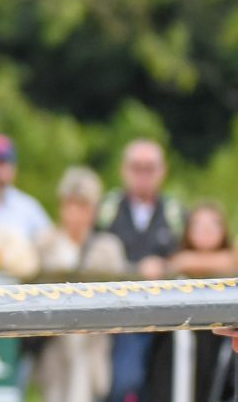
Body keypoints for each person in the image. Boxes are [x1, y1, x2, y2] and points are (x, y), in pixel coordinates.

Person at [31, 167, 126, 402]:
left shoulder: (108, 247)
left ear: (93, 210)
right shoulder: (45, 242)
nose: (75, 213)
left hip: (92, 340)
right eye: (70, 204)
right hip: (55, 342)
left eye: (82, 206)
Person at [102, 138, 183, 402]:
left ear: (163, 171)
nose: (143, 175)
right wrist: (135, 269)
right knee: (123, 385)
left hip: (168, 317)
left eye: (150, 168)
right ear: (124, 170)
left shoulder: (175, 212)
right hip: (115, 315)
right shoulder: (107, 210)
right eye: (137, 167)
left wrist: (168, 266)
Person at [145, 202, 238, 402]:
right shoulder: (173, 271)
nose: (205, 230)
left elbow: (228, 260)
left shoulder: (230, 267)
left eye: (212, 224)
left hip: (221, 352)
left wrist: (180, 261)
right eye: (198, 224)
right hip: (177, 355)